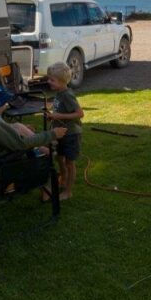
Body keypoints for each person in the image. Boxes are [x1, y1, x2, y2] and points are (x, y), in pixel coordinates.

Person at [44, 62, 84, 201]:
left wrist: (58, 116)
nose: (48, 82)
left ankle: (68, 191)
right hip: (61, 132)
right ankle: (64, 180)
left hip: (72, 134)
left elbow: (80, 114)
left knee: (69, 162)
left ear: (61, 82)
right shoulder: (59, 93)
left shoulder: (67, 95)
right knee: (59, 158)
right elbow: (59, 111)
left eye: (52, 80)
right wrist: (52, 116)